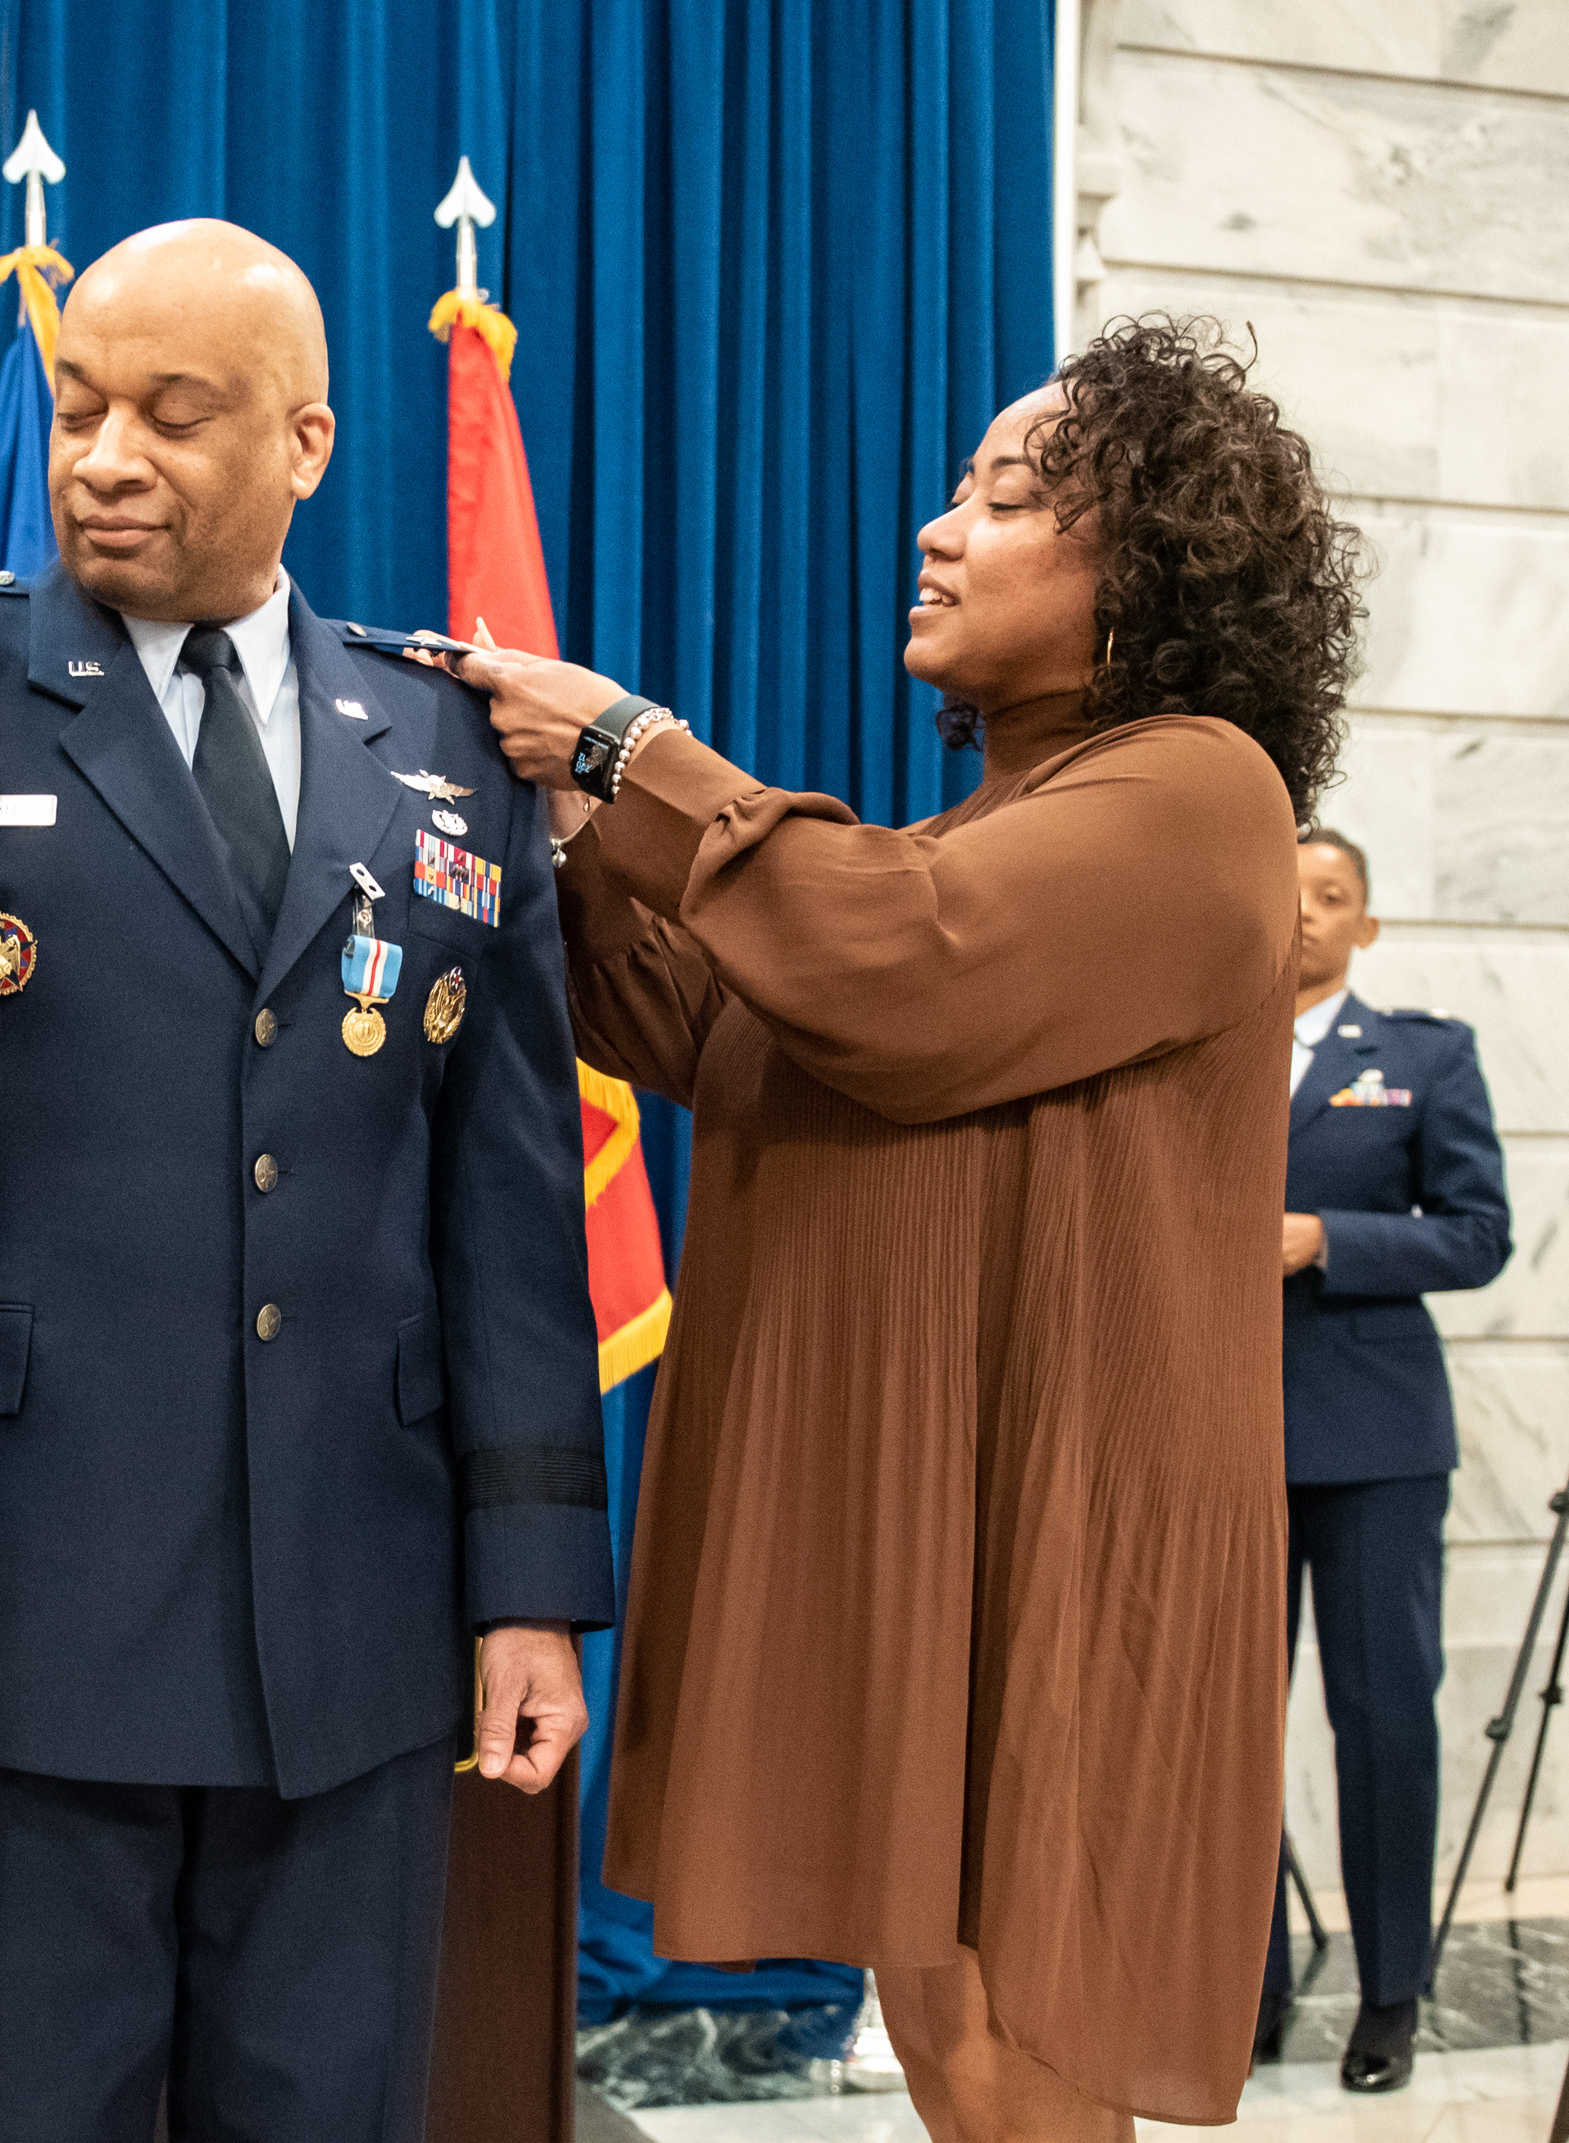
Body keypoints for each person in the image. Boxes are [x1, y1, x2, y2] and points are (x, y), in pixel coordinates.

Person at [0, 220, 609, 2143]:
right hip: (4, 1608)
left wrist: (530, 1585)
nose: (104, 455)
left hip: (356, 1621)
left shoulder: (443, 738)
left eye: (174, 416)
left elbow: (507, 1210)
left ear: (308, 443)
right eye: (86, 403)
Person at [448, 317, 1366, 2135]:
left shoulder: (1202, 791)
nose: (942, 529)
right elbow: (735, 1029)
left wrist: (637, 748)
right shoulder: (1001, 812)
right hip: (955, 1503)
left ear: (1154, 563)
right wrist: (560, 832)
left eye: (1009, 497)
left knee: (1026, 2050)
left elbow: (903, 967)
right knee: (948, 2032)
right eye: (958, 488)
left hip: (1066, 1517)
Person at [1258, 827, 1510, 2090]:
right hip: (1225, 1442)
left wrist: (1327, 1239)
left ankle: (1391, 1996)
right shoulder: (1197, 1048)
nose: (1303, 914)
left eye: (1333, 896)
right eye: (1284, 892)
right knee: (1223, 1727)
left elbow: (1478, 1235)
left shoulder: (1422, 1055)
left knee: (1381, 1723)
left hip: (1374, 1443)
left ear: (1368, 925)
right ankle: (1233, 1991)